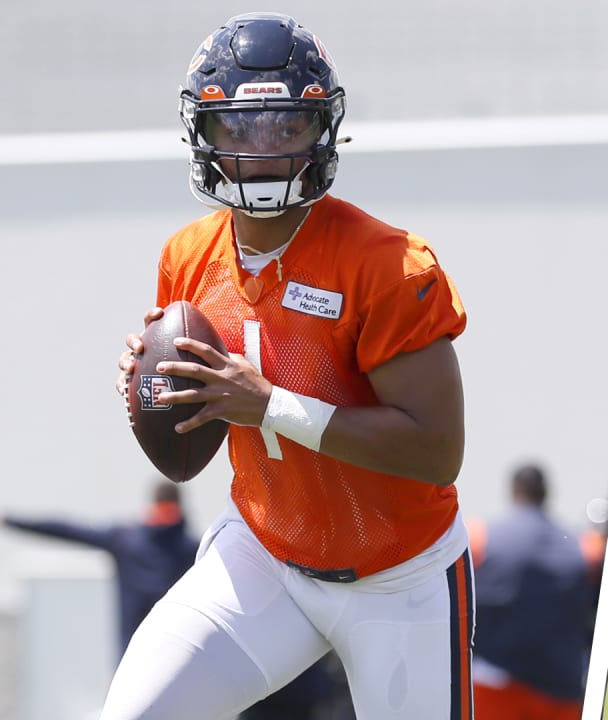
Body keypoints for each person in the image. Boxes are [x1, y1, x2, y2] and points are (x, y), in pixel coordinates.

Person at [105, 12, 471, 720]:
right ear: (202, 133)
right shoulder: (187, 257)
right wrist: (160, 384)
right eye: (238, 128)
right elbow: (188, 451)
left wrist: (268, 402)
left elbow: (436, 452)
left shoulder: (390, 265)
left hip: (399, 580)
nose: (262, 150)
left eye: (285, 126)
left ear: (322, 130)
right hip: (265, 554)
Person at [1, 480, 199, 658]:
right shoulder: (196, 550)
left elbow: (66, 530)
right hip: (179, 659)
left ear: (153, 504)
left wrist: (10, 521)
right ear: (180, 505)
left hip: (130, 664)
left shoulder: (124, 540)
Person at [466, 464, 593, 720]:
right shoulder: (582, 546)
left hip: (497, 685)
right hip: (561, 688)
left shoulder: (479, 535)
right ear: (546, 493)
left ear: (514, 490)